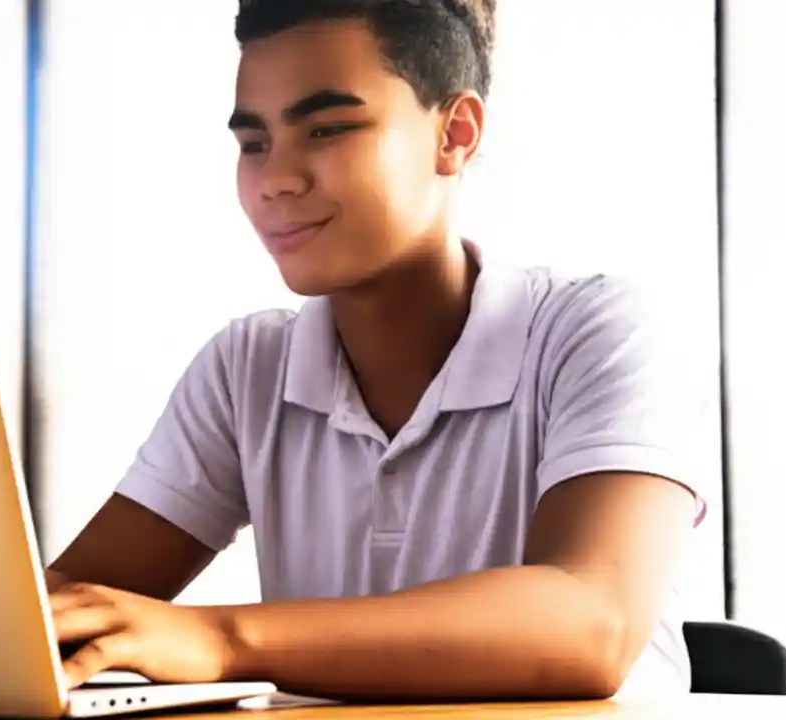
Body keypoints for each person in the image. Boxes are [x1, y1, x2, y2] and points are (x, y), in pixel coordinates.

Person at [44, 0, 704, 702]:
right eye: (254, 143)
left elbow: (591, 622)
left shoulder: (597, 331)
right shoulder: (247, 369)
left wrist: (221, 638)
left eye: (327, 128)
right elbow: (67, 611)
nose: (276, 179)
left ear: (455, 133)